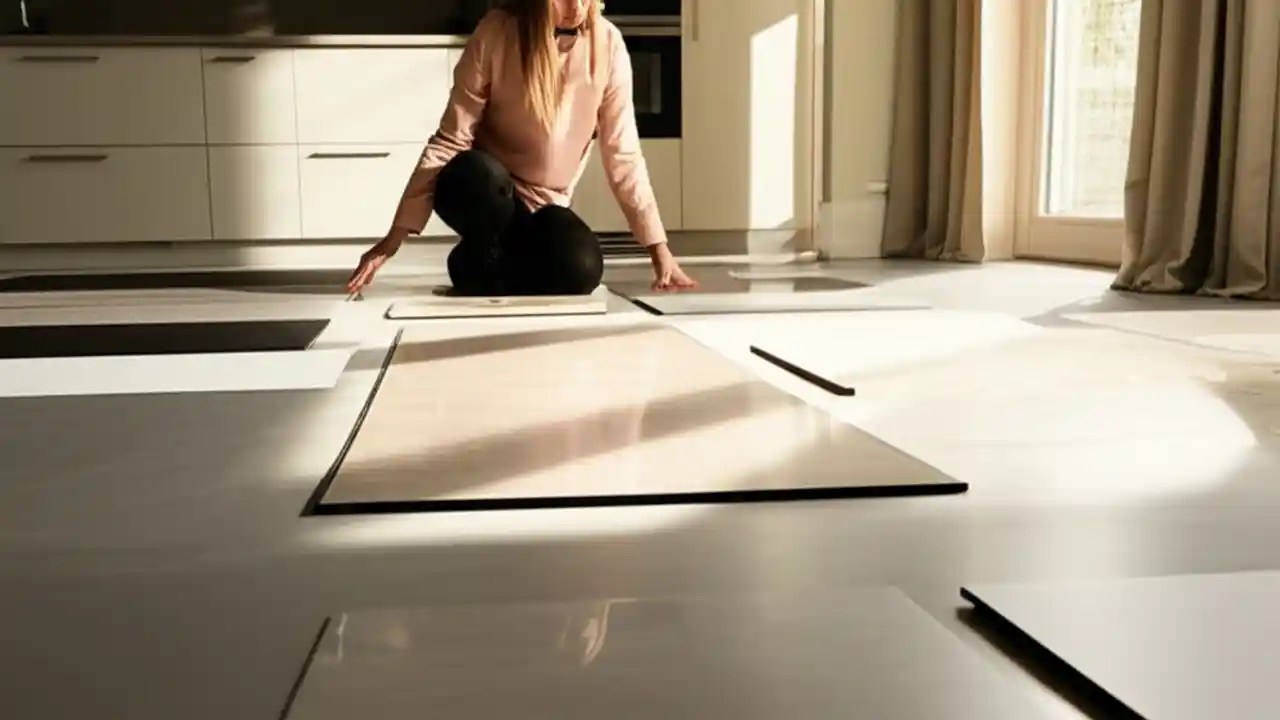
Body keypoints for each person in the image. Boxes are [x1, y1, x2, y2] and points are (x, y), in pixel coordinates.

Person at [346, 0, 698, 297]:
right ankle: (492, 255)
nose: (576, 7)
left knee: (583, 268)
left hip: (546, 206)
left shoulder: (608, 44)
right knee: (475, 174)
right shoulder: (496, 33)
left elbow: (623, 153)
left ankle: (481, 264)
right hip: (489, 195)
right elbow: (451, 140)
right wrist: (393, 239)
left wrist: (659, 250)